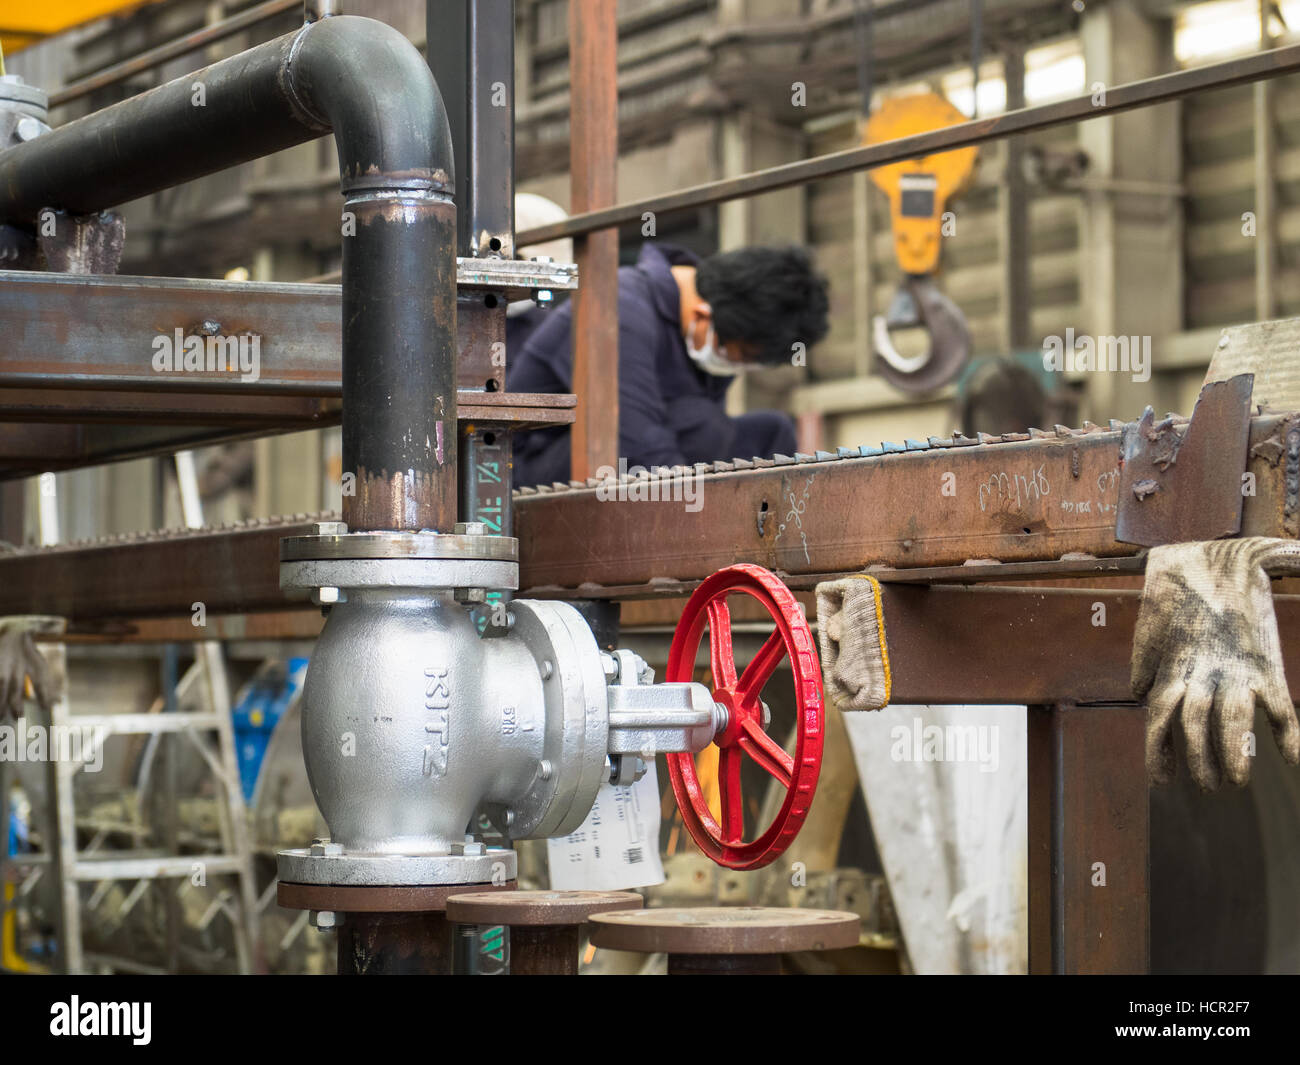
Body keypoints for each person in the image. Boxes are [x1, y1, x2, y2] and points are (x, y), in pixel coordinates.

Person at [506, 241, 830, 486]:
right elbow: (636, 439)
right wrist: (700, 519)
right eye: (739, 356)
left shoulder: (704, 330)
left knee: (771, 432)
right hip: (531, 469)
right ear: (704, 315)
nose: (736, 368)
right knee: (701, 424)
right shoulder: (619, 306)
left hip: (631, 457)